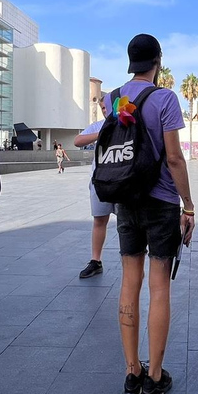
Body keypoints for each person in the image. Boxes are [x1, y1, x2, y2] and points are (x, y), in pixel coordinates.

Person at [108, 33, 194, 394]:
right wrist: (188, 206)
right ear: (158, 61)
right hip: (160, 203)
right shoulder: (165, 98)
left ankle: (132, 374)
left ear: (131, 61)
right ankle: (154, 378)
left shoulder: (114, 98)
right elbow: (174, 158)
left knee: (130, 282)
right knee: (159, 288)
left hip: (125, 200)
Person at [74, 98, 115, 279]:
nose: (105, 111)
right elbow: (77, 141)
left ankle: (132, 257)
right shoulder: (98, 126)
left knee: (127, 222)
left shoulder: (127, 123)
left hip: (124, 180)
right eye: (103, 108)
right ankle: (95, 260)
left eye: (108, 107)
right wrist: (101, 133)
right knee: (99, 220)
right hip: (100, 180)